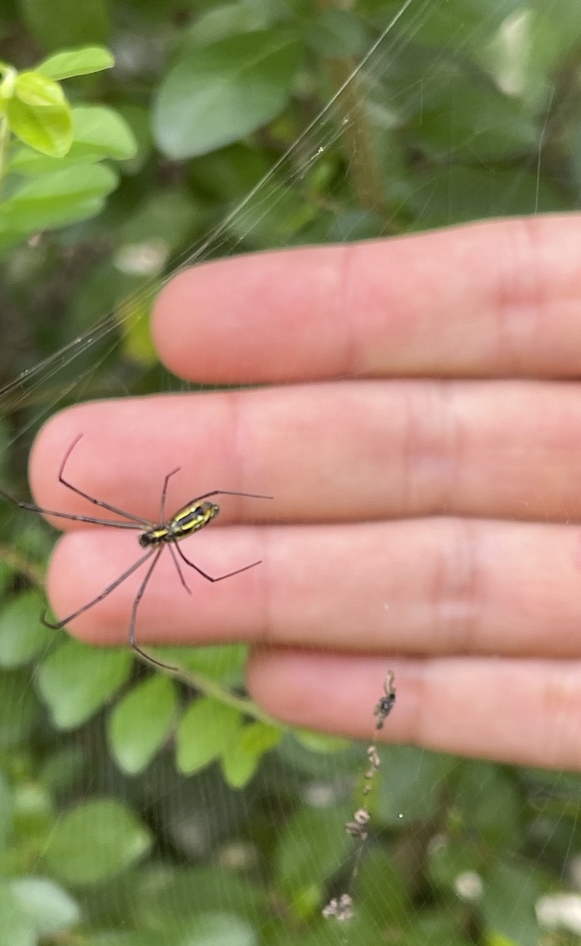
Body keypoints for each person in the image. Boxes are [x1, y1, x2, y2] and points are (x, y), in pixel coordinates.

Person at [30, 215, 581, 772]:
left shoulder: (167, 525)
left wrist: (197, 519)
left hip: (198, 509)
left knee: (120, 525)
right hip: (196, 514)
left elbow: (196, 540)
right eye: (152, 536)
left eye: (150, 534)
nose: (147, 537)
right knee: (129, 587)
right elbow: (195, 573)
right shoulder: (167, 537)